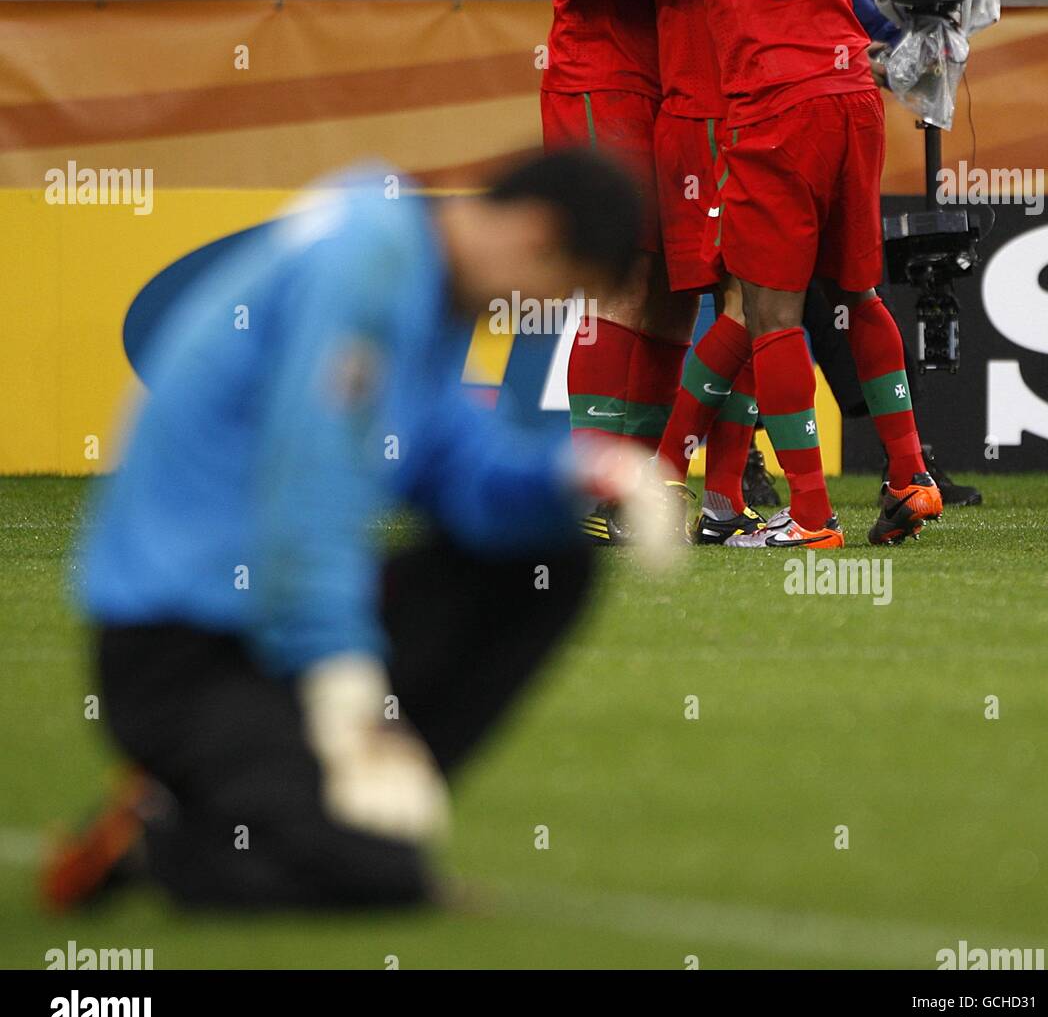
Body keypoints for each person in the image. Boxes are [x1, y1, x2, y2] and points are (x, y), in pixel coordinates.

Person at [42, 151, 660, 912]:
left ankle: (300, 805)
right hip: (183, 645)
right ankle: (170, 825)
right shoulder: (372, 263)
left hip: (257, 622)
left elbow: (453, 465)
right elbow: (313, 482)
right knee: (373, 879)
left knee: (549, 556)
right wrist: (345, 685)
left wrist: (576, 473)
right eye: (565, 294)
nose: (540, 312)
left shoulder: (410, 266)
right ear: (537, 234)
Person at [541, 0, 969, 544]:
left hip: (757, 108)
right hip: (844, 95)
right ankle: (899, 475)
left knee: (756, 313)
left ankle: (784, 510)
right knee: (842, 296)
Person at [541, 0, 836, 545]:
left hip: (671, 84)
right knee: (623, 282)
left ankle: (643, 488)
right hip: (604, 80)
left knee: (674, 291)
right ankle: (596, 490)